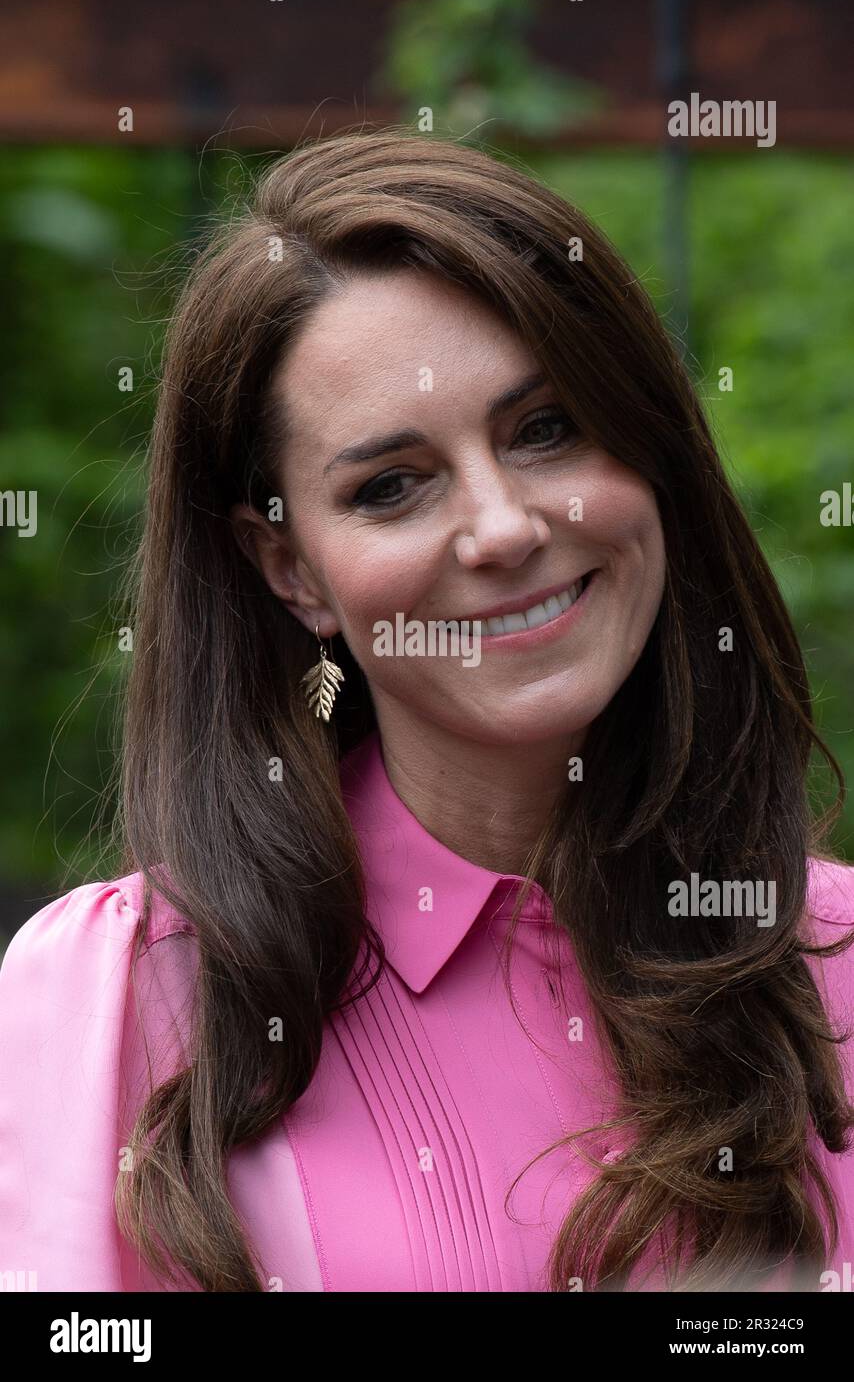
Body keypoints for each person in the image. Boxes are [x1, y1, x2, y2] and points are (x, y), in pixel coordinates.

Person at [1, 125, 852, 1293]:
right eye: (390, 486)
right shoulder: (124, 1001)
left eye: (545, 428)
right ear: (289, 569)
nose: (502, 526)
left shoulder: (833, 962)